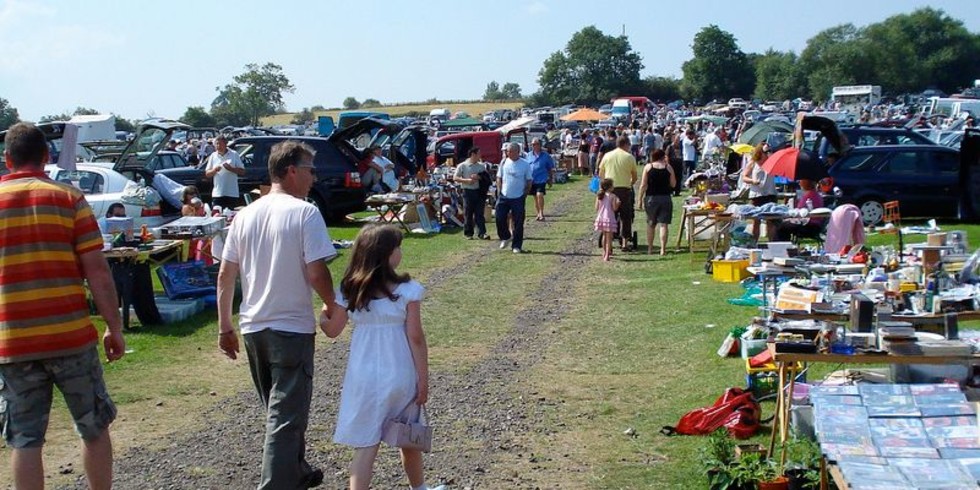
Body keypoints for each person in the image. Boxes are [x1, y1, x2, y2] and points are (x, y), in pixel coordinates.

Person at [0, 123, 126, 490]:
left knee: (25, 439)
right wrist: (114, 327)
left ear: (7, 159)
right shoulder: (69, 198)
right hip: (70, 336)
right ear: (46, 157)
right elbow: (98, 273)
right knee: (94, 427)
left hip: (14, 342)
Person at [217, 140, 337, 489]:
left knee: (279, 409)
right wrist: (332, 304)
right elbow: (316, 272)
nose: (314, 177)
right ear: (292, 171)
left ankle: (296, 470)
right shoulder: (305, 212)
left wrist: (225, 326)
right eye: (311, 170)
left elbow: (226, 274)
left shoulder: (245, 214)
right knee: (285, 415)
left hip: (254, 327)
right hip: (290, 327)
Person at [321, 225, 445, 490]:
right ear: (387, 254)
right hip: (400, 371)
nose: (400, 251)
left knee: (366, 443)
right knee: (408, 434)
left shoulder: (348, 289)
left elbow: (332, 330)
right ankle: (419, 488)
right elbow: (416, 337)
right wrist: (423, 379)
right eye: (397, 247)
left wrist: (323, 314)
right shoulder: (408, 290)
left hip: (363, 374)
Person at [598, 136, 638, 252]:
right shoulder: (629, 157)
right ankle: (625, 242)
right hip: (624, 190)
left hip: (610, 190)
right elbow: (634, 176)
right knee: (626, 216)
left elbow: (601, 173)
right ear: (626, 145)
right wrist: (631, 183)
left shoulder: (607, 156)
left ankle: (608, 242)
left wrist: (604, 186)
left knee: (610, 215)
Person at [637, 149, 677, 256]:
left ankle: (650, 248)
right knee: (664, 225)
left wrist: (640, 199)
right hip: (665, 198)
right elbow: (673, 184)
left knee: (651, 224)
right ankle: (663, 249)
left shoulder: (648, 167)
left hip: (651, 198)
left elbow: (643, 185)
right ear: (662, 157)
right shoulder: (668, 167)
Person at [495, 142, 532, 254]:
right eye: (507, 151)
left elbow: (529, 180)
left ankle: (517, 246)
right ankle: (505, 236)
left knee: (518, 222)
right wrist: (500, 189)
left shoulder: (525, 164)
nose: (508, 153)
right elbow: (499, 177)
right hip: (504, 195)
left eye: (510, 151)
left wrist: (524, 194)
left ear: (517, 152)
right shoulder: (504, 162)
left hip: (518, 196)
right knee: (499, 217)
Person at [453, 147, 490, 240]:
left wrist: (479, 177)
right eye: (478, 154)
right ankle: (468, 233)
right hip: (467, 192)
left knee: (479, 213)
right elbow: (455, 178)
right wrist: (466, 181)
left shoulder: (481, 166)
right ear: (473, 154)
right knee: (468, 213)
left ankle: (482, 233)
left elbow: (486, 178)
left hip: (479, 192)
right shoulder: (462, 165)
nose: (480, 156)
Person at [204, 135, 246, 210]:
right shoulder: (213, 156)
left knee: (231, 216)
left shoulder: (234, 154)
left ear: (226, 144)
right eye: (216, 144)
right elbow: (207, 174)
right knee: (217, 215)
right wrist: (214, 170)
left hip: (232, 193)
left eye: (220, 144)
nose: (218, 146)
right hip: (218, 193)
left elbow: (242, 172)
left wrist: (231, 169)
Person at [527, 137, 555, 221]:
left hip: (541, 179)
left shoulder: (546, 156)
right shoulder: (528, 155)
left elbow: (550, 168)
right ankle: (538, 213)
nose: (534, 146)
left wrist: (550, 179)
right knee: (535, 197)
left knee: (540, 194)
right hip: (532, 180)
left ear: (540, 145)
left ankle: (541, 213)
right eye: (532, 144)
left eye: (535, 144)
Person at [593, 178, 620, 262]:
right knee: (609, 238)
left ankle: (604, 252)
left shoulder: (600, 195)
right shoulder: (612, 196)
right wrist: (618, 203)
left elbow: (596, 208)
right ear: (610, 187)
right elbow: (614, 208)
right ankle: (607, 254)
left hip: (601, 218)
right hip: (609, 218)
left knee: (604, 236)